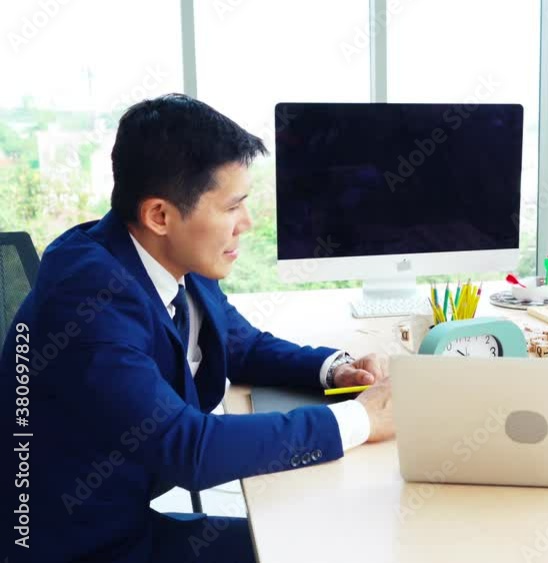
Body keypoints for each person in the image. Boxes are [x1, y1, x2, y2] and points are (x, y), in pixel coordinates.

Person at [1, 93, 395, 562]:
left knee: (323, 535)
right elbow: (189, 450)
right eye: (232, 207)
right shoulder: (90, 299)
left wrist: (336, 370)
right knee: (320, 546)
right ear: (160, 215)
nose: (246, 223)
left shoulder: (168, 257)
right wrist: (361, 419)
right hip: (77, 548)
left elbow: (240, 343)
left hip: (127, 519)